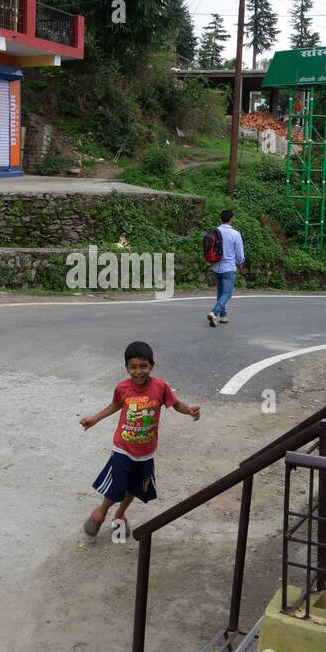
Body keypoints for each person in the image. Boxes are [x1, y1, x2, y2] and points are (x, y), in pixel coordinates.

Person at [79, 341, 200, 537]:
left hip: (145, 453)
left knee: (134, 488)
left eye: (143, 366)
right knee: (116, 487)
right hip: (123, 448)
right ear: (127, 367)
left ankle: (120, 515)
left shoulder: (161, 387)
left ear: (152, 366)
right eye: (133, 367)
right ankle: (101, 512)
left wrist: (189, 411)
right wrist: (94, 419)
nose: (138, 371)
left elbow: (175, 404)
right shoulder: (123, 387)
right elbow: (115, 405)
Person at [208, 209, 245, 327]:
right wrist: (240, 262)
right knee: (227, 293)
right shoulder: (235, 234)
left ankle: (223, 316)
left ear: (221, 219)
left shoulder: (215, 232)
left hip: (216, 266)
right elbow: (240, 255)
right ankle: (214, 312)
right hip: (228, 267)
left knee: (220, 293)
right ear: (231, 219)